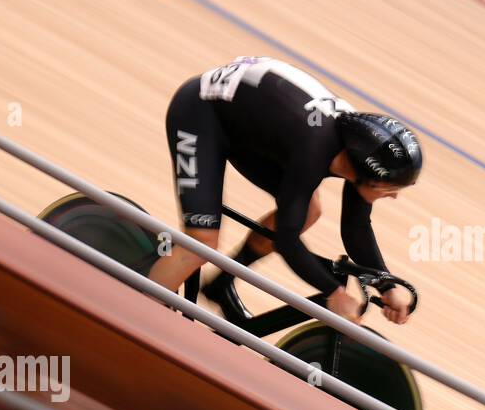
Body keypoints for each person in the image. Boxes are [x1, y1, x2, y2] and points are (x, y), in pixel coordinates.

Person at [152, 56, 420, 325]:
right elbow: (286, 241)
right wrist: (334, 292)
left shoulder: (353, 148)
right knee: (201, 244)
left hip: (249, 125)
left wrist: (387, 286)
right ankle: (140, 314)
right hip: (201, 115)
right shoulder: (314, 149)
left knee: (307, 212)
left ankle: (221, 283)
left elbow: (355, 228)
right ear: (367, 172)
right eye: (392, 187)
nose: (394, 195)